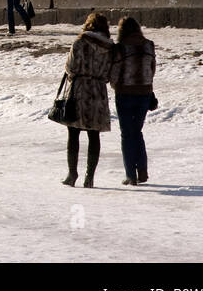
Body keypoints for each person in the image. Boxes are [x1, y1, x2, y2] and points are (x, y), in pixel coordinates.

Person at [57, 12, 114, 187]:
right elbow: (109, 74)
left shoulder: (80, 42)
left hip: (79, 90)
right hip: (98, 92)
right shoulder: (110, 47)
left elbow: (70, 68)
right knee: (94, 134)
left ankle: (72, 174)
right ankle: (90, 177)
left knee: (73, 133)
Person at [109, 16, 156, 186]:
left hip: (125, 93)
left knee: (127, 134)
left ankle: (131, 174)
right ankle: (142, 170)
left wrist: (116, 86)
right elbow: (152, 69)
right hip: (144, 93)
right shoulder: (149, 45)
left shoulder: (120, 48)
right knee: (137, 131)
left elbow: (114, 73)